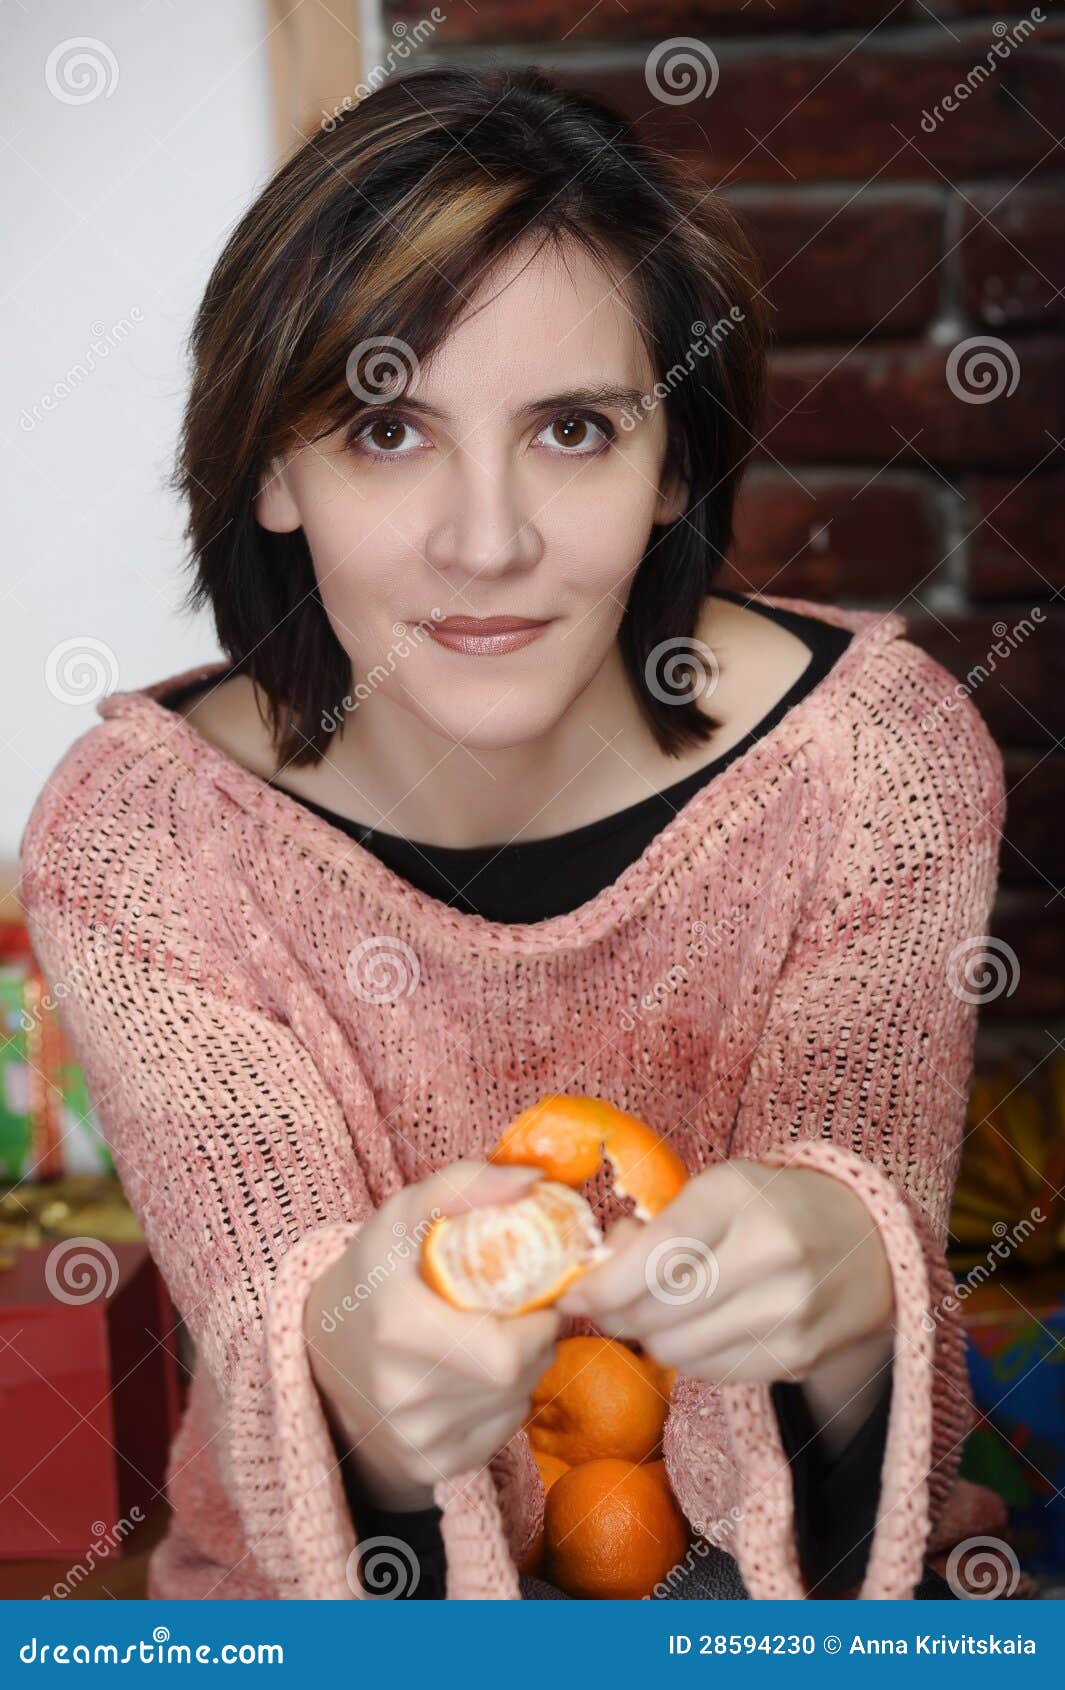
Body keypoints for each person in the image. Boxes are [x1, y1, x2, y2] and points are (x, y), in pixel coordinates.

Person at [19, 64, 1008, 1602]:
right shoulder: (140, 843)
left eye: (573, 428)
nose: (487, 541)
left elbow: (871, 1443)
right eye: (384, 429)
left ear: (672, 463)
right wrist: (359, 1358)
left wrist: (848, 1273)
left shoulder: (873, 765)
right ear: (271, 468)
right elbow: (276, 1327)